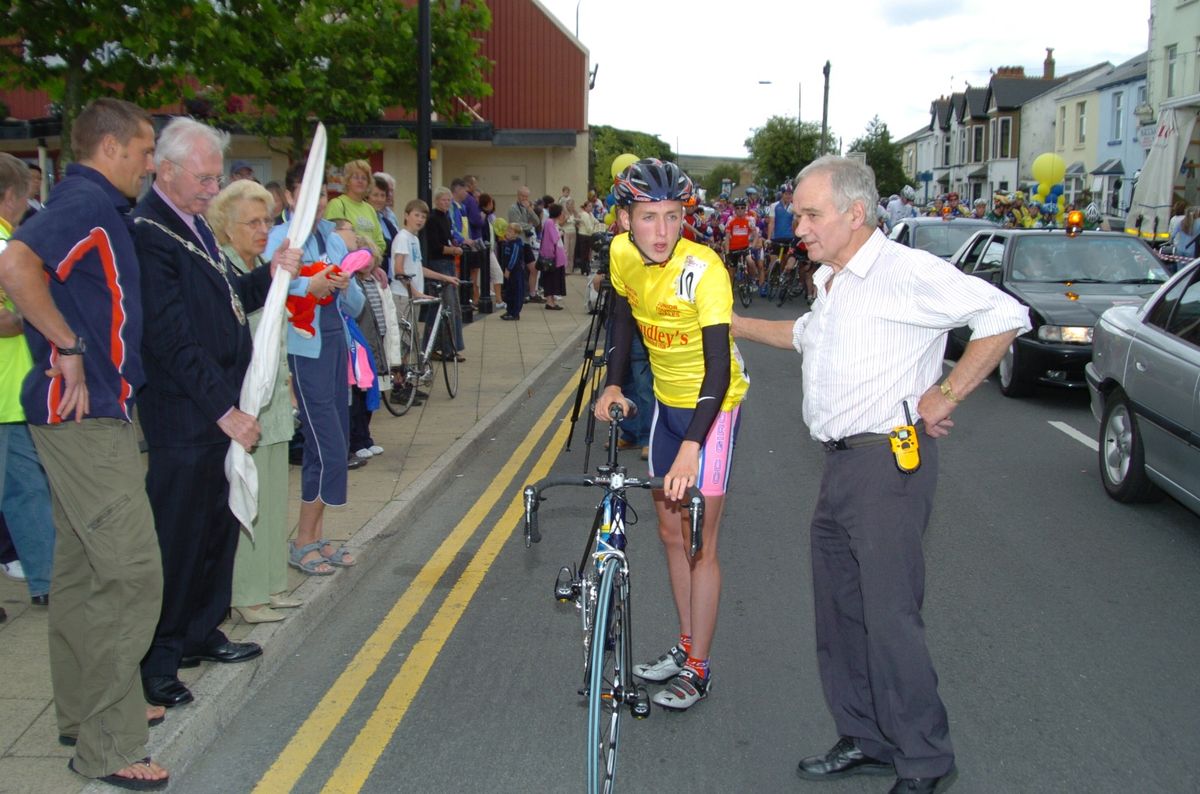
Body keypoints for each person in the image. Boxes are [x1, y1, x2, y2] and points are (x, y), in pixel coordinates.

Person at [732, 155, 1030, 793]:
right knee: (841, 612)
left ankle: (925, 759)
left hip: (886, 466)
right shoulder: (835, 279)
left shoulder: (904, 271)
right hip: (840, 465)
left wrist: (946, 392)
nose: (798, 225)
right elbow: (806, 338)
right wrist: (726, 323)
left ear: (856, 213)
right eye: (797, 212)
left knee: (890, 617)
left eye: (811, 213)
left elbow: (1003, 317)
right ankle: (867, 736)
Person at [0, 97, 170, 789]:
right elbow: (17, 267)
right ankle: (107, 742)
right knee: (129, 576)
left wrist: (51, 335)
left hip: (80, 414)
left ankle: (82, 712)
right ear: (112, 147)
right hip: (87, 417)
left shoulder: (87, 205)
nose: (150, 163)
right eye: (145, 149)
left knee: (77, 571)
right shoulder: (86, 203)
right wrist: (66, 345)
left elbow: (34, 285)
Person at [134, 117, 300, 710]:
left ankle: (201, 631)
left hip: (222, 410)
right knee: (178, 540)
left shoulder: (193, 225)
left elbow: (225, 304)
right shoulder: (149, 232)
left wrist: (271, 274)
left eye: (215, 177)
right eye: (203, 178)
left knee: (216, 528)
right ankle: (158, 659)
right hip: (187, 416)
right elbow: (171, 338)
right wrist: (224, 410)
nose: (212, 187)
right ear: (167, 168)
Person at [594, 158, 750, 711]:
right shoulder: (620, 256)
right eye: (648, 217)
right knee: (666, 531)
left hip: (712, 412)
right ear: (626, 220)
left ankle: (700, 668)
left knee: (699, 542)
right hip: (665, 406)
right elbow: (620, 319)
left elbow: (718, 370)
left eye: (672, 216)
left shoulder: (703, 269)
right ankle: (686, 646)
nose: (662, 231)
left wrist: (691, 448)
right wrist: (613, 385)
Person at [207, 179, 302, 624]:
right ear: (226, 227)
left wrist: (288, 388)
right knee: (249, 496)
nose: (263, 229)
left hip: (274, 402)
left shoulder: (264, 264)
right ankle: (246, 594)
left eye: (267, 220)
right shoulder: (224, 271)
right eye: (252, 222)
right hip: (244, 402)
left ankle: (271, 584)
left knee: (274, 495)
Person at [267, 163, 363, 576]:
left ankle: (316, 538)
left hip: (335, 344)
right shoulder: (280, 238)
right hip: (305, 352)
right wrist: (311, 286)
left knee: (329, 446)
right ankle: (303, 540)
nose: (318, 203)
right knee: (328, 447)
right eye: (308, 195)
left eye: (323, 195)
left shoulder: (331, 238)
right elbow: (273, 288)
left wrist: (346, 283)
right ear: (290, 198)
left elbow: (352, 302)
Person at [0, 152, 56, 609]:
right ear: (13, 196)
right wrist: (30, 315)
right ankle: (46, 579)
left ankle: (46, 579)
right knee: (22, 490)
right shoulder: (4, 245)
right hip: (5, 390)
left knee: (25, 489)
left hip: (11, 393)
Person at [423, 186, 466, 358]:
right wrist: (453, 250)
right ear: (436, 200)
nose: (446, 203)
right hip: (438, 264)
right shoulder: (432, 219)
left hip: (448, 263)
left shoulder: (446, 218)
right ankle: (447, 349)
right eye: (443, 199)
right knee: (446, 307)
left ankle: (439, 347)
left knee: (451, 307)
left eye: (448, 200)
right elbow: (435, 246)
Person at [326, 159, 385, 254]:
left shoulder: (370, 209)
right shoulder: (337, 204)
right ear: (347, 180)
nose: (360, 181)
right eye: (355, 177)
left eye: (364, 178)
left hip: (370, 265)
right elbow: (331, 239)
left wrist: (370, 257)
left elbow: (380, 243)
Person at [508, 185, 542, 302]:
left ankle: (533, 293)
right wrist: (529, 226)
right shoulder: (513, 208)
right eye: (523, 196)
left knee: (534, 268)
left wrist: (530, 209)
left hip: (526, 242)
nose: (524, 199)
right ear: (518, 195)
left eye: (527, 196)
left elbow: (537, 222)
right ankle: (521, 294)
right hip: (518, 242)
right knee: (520, 270)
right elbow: (517, 225)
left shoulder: (526, 208)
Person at [539, 203, 568, 310]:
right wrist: (560, 233)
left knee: (552, 279)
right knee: (551, 279)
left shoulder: (551, 222)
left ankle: (551, 300)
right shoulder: (550, 223)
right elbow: (554, 238)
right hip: (552, 256)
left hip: (553, 256)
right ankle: (549, 301)